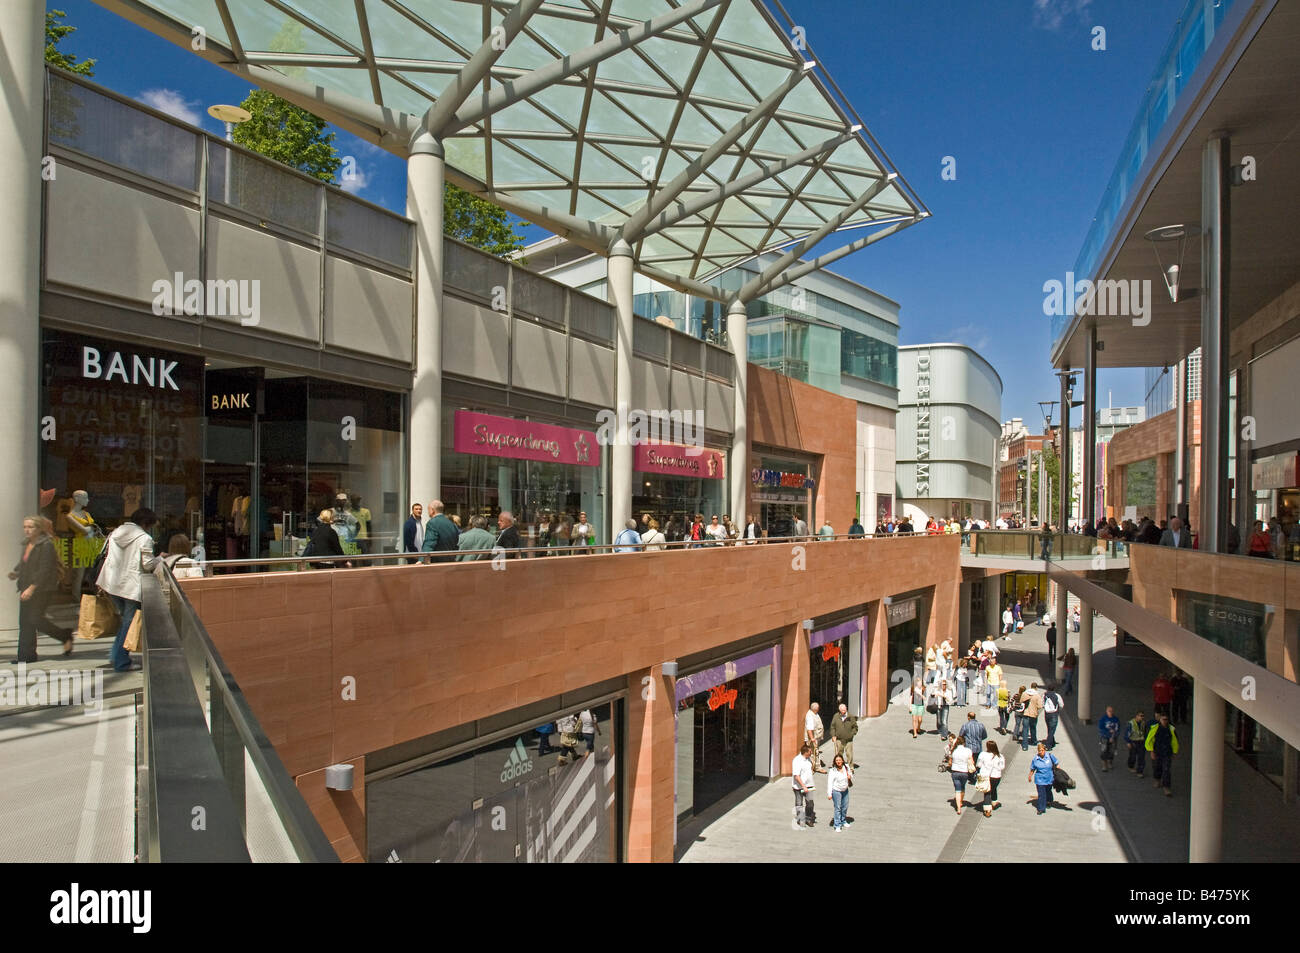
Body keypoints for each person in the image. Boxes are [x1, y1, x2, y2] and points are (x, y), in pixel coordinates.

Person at [97, 507, 160, 672]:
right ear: (146, 524)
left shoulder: (117, 532)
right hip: (130, 587)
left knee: (125, 621)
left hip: (111, 583)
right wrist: (160, 559)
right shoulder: (144, 538)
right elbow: (147, 565)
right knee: (129, 623)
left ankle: (115, 655)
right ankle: (121, 661)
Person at [10, 516, 74, 663]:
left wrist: (32, 588)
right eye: (25, 527)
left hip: (42, 588)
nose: (27, 530)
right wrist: (16, 573)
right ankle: (26, 656)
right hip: (25, 586)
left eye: (30, 527)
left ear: (39, 529)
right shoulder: (27, 543)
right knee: (25, 621)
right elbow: (25, 564)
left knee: (35, 618)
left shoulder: (46, 545)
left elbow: (44, 570)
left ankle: (64, 635)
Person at [1144, 712, 1179, 796]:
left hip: (1167, 752)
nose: (1165, 721)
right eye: (1163, 719)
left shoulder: (1171, 729)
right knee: (1157, 767)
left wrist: (1174, 752)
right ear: (1160, 720)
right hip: (1157, 751)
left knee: (1166, 769)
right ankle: (1157, 779)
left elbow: (1174, 741)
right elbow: (1149, 740)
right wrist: (1151, 751)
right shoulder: (1154, 728)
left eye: (1166, 719)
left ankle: (1166, 787)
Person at [1027, 742, 1060, 815]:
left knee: (1048, 791)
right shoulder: (1036, 759)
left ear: (1044, 750)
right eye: (1039, 751)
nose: (1041, 752)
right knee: (1041, 794)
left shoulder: (1050, 756)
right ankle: (1041, 809)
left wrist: (1058, 771)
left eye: (1042, 750)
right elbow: (1033, 768)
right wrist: (1030, 776)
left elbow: (1057, 763)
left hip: (1049, 778)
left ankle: (1048, 801)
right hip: (1040, 779)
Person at [947, 733, 975, 815]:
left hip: (955, 772)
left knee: (957, 790)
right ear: (964, 743)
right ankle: (961, 801)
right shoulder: (968, 751)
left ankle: (958, 808)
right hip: (964, 772)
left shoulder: (954, 751)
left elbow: (949, 763)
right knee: (963, 787)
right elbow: (972, 761)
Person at [977, 740, 1005, 817]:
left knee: (987, 792)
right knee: (993, 788)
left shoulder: (983, 754)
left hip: (986, 776)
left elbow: (979, 765)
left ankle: (987, 809)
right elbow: (1002, 767)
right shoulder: (1000, 756)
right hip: (997, 776)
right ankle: (994, 802)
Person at [826, 753, 853, 832]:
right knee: (838, 808)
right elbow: (830, 782)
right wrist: (829, 794)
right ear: (835, 761)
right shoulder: (832, 770)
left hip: (845, 790)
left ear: (842, 760)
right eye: (837, 760)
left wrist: (850, 776)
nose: (838, 761)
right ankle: (837, 825)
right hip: (836, 791)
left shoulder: (846, 767)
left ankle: (843, 820)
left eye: (839, 760)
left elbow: (851, 774)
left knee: (845, 807)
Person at [791, 744, 816, 828]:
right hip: (799, 786)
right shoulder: (797, 761)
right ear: (805, 752)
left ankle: (808, 819)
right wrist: (803, 786)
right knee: (799, 803)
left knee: (810, 803)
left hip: (810, 785)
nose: (811, 752)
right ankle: (801, 819)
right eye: (810, 751)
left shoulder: (808, 759)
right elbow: (796, 776)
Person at [829, 703, 858, 767]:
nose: (844, 712)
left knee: (849, 754)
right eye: (842, 711)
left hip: (849, 739)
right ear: (839, 710)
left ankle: (850, 767)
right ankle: (839, 766)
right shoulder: (836, 716)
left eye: (845, 710)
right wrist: (833, 735)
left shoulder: (851, 717)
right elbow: (832, 727)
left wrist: (852, 734)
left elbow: (855, 727)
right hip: (839, 739)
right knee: (839, 753)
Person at [1095, 704, 1120, 771]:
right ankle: (1104, 764)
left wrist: (1113, 736)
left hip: (1113, 738)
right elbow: (1101, 728)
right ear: (1106, 711)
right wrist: (1108, 732)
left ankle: (1110, 762)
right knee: (1104, 750)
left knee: (1112, 751)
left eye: (1111, 711)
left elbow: (1117, 729)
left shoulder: (1116, 719)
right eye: (1109, 711)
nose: (1110, 712)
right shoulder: (1103, 719)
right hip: (1104, 737)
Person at [1125, 710, 1148, 777]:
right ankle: (1131, 766)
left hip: (1141, 742)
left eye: (1143, 716)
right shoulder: (1131, 723)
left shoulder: (1144, 723)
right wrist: (1128, 742)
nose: (1142, 717)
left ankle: (1140, 771)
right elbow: (1127, 734)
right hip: (1133, 742)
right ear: (1137, 716)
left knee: (1141, 757)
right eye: (1141, 716)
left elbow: (1145, 732)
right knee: (1133, 756)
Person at [1021, 683, 1042, 750]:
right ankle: (1034, 741)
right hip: (1033, 714)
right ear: (1036, 688)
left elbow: (1021, 701)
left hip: (1025, 713)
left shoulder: (1024, 693)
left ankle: (1024, 745)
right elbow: (1040, 706)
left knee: (1025, 729)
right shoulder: (1037, 695)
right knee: (1033, 728)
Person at [804, 702, 826, 770]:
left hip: (816, 737)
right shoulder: (810, 716)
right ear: (816, 709)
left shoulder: (814, 713)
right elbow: (809, 729)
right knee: (814, 752)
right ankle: (816, 767)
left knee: (815, 751)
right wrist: (812, 739)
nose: (819, 709)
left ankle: (814, 766)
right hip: (813, 738)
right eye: (818, 708)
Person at [1042, 684, 1064, 749]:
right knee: (1052, 729)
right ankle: (1048, 745)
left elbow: (1042, 703)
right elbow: (1061, 705)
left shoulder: (1044, 695)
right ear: (1054, 689)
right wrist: (1058, 710)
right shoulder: (1057, 695)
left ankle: (1052, 742)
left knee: (1049, 728)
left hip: (1047, 714)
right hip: (1054, 714)